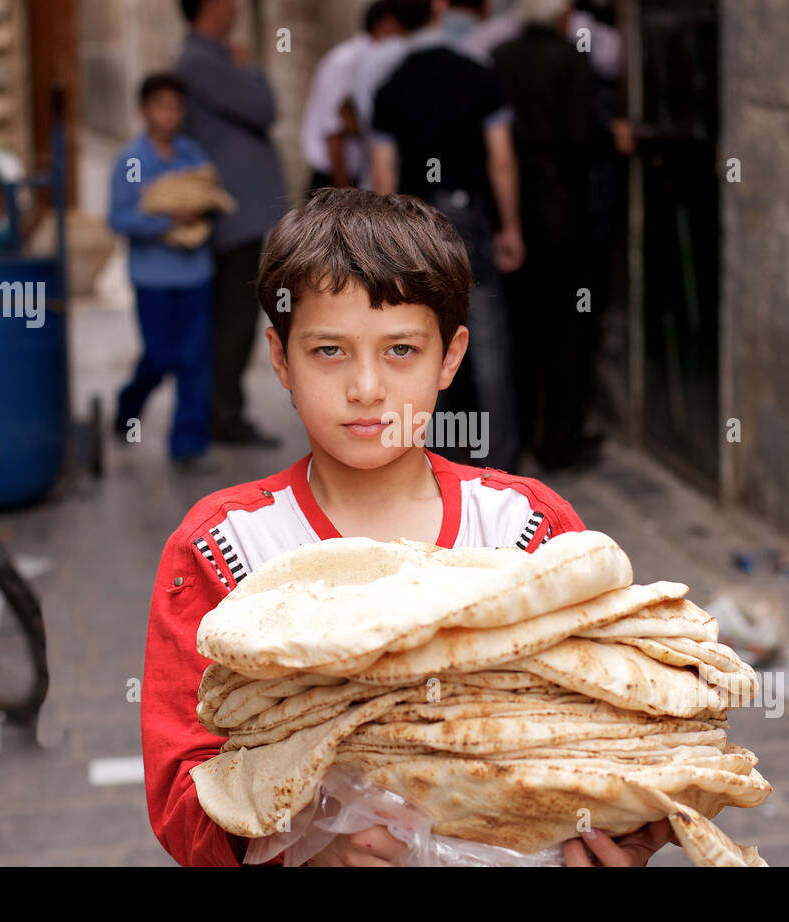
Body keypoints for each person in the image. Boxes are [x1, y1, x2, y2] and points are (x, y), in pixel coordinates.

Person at [140, 188, 678, 867]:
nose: (367, 388)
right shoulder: (225, 550)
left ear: (450, 357)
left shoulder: (529, 534)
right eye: (329, 351)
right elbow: (181, 789)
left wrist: (616, 837)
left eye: (400, 350)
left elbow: (602, 727)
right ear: (279, 358)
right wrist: (309, 851)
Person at [369, 0, 524, 473]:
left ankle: (430, 462)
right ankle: (498, 466)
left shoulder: (390, 84)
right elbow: (501, 158)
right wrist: (510, 225)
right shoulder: (477, 72)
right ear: (437, 11)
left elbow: (383, 174)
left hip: (413, 223)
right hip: (469, 217)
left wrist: (384, 243)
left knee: (419, 341)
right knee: (489, 341)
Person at [491, 0, 600, 471]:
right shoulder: (571, 58)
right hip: (560, 207)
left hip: (513, 201)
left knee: (519, 328)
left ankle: (513, 443)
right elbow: (580, 137)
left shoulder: (499, 55)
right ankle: (560, 442)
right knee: (567, 331)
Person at [176, 0, 285, 448]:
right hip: (233, 216)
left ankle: (223, 412)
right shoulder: (204, 59)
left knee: (234, 318)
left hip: (241, 213)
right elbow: (264, 107)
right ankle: (225, 416)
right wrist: (249, 69)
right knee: (233, 320)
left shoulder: (208, 58)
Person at [108, 74, 217, 470]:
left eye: (175, 107)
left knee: (194, 360)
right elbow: (120, 218)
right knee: (159, 356)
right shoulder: (132, 162)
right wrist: (167, 220)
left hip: (195, 275)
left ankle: (187, 445)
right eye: (160, 106)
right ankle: (128, 408)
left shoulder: (193, 156)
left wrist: (199, 210)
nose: (168, 115)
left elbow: (210, 197)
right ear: (144, 110)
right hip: (153, 277)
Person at [300, 1, 401, 196]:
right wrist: (344, 194)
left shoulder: (367, 57)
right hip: (335, 179)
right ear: (386, 24)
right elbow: (333, 131)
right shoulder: (347, 60)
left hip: (352, 178)